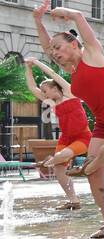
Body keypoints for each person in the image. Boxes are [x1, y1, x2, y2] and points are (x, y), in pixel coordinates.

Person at [33, 0, 104, 238]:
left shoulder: (92, 55)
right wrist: (37, 20)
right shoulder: (71, 71)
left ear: (74, 44)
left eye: (58, 47)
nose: (54, 53)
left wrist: (70, 14)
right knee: (95, 178)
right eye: (53, 51)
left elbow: (82, 23)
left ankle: (91, 165)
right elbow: (46, 48)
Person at [23, 57, 90, 210]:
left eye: (46, 91)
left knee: (61, 156)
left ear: (55, 88)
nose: (44, 95)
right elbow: (32, 88)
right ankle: (74, 201)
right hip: (65, 138)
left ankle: (45, 163)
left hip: (83, 137)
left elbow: (52, 73)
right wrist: (28, 68)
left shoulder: (69, 92)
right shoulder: (52, 102)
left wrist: (36, 62)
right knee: (59, 172)